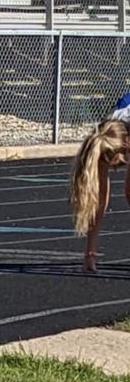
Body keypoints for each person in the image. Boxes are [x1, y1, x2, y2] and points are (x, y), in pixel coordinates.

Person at [71, 94, 130, 272]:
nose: (115, 170)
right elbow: (100, 198)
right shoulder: (106, 136)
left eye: (118, 164)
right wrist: (90, 253)